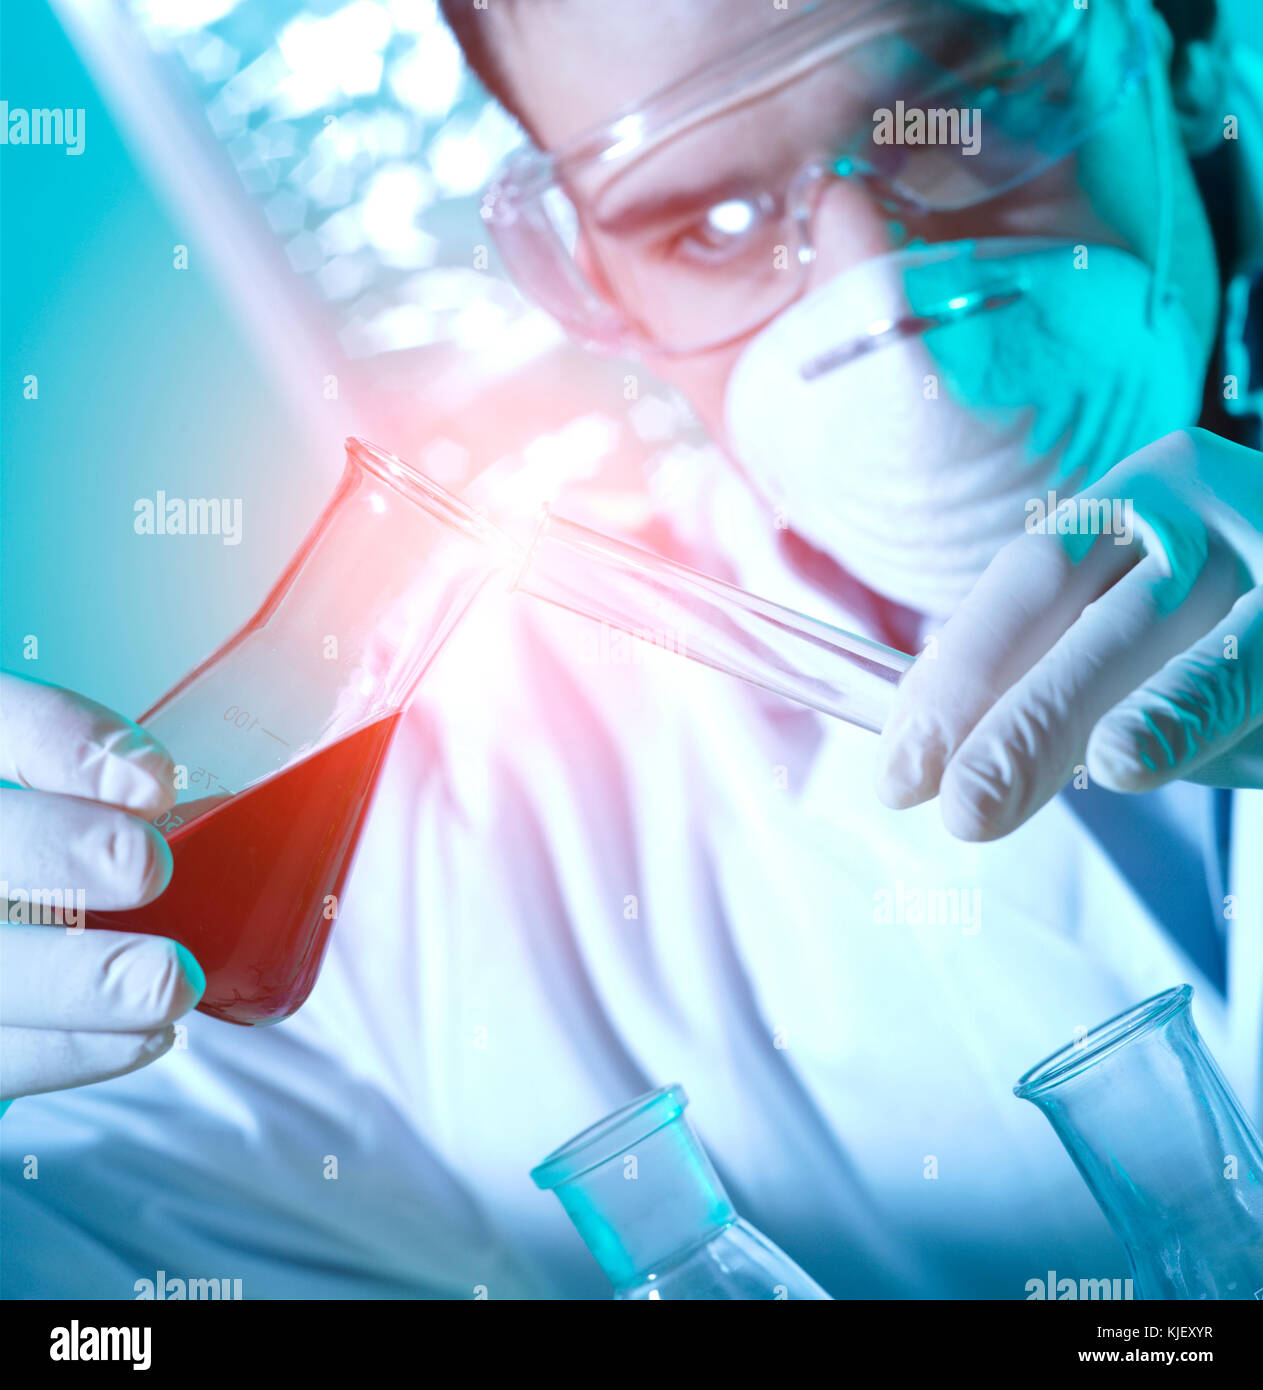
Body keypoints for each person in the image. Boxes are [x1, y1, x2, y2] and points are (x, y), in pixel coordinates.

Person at [3, 0, 1262, 1299]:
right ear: (589, 272)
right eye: (708, 222)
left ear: (1186, 50)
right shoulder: (454, 827)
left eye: (955, 115)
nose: (875, 284)